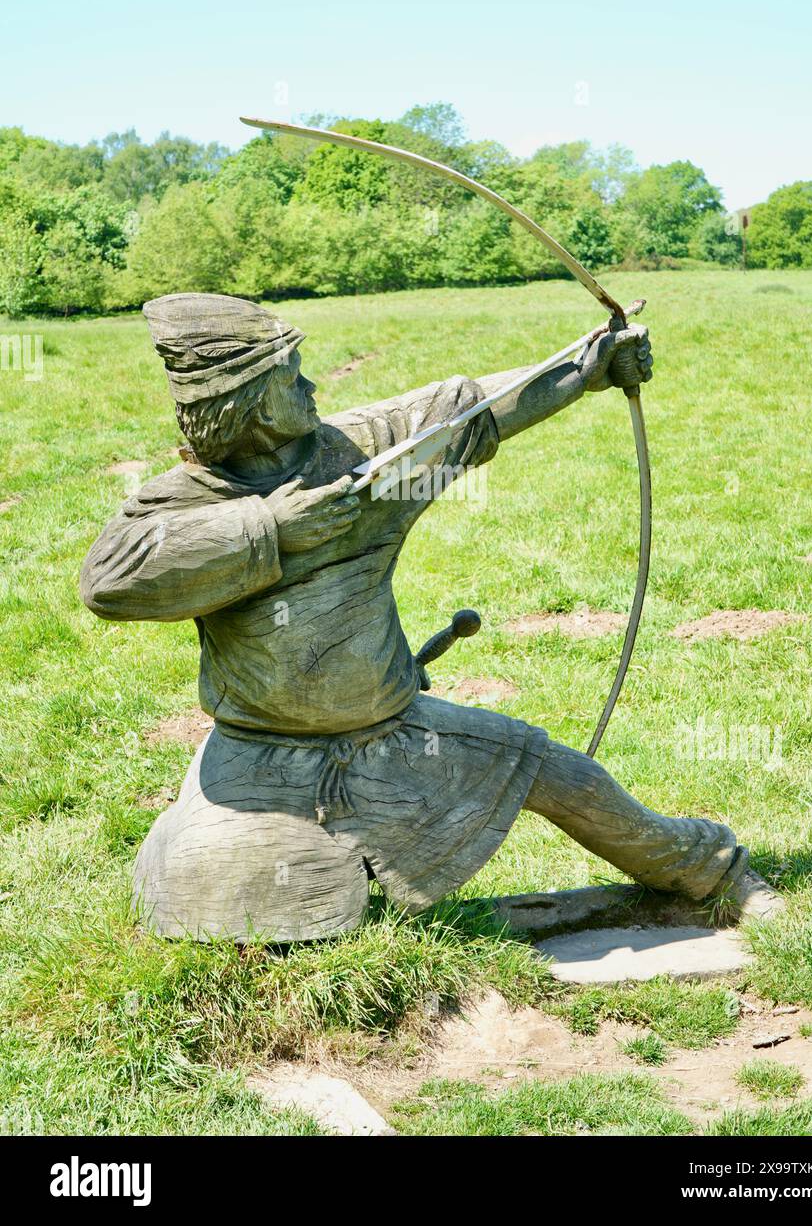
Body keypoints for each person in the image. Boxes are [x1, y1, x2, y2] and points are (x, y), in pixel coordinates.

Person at [80, 292, 758, 942]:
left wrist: (590, 367)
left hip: (394, 736)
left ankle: (711, 871)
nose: (312, 387)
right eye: (291, 380)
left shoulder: (360, 456)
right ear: (250, 407)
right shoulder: (190, 500)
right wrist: (273, 528)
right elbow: (111, 580)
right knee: (221, 901)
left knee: (561, 775)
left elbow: (473, 412)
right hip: (258, 762)